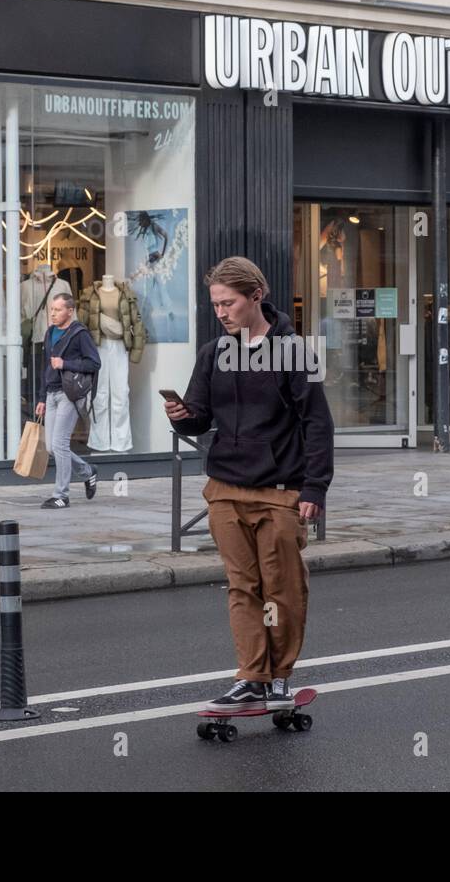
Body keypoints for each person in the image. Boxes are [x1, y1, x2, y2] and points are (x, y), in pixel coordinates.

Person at [164, 257, 333, 714]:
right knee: (243, 588)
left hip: (279, 491)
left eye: (229, 302)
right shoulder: (213, 353)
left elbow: (317, 424)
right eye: (215, 303)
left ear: (256, 296)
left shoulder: (295, 353)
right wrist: (183, 417)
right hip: (225, 488)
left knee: (283, 589)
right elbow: (200, 418)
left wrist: (314, 488)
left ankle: (280, 678)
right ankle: (251, 677)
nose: (221, 312)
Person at [34, 292, 100, 508]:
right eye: (52, 309)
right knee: (52, 447)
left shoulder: (80, 334)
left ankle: (61, 495)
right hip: (51, 393)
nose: (53, 314)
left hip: (69, 394)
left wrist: (66, 364)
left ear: (70, 311)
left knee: (60, 444)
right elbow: (47, 366)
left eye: (58, 310)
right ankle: (87, 471)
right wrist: (42, 398)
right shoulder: (50, 332)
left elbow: (94, 364)